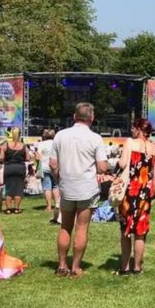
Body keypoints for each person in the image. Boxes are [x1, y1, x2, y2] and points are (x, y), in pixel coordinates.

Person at [50, 103, 107, 277]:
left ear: (74, 116)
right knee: (82, 228)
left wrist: (58, 180)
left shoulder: (60, 135)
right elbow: (102, 167)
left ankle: (61, 266)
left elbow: (53, 164)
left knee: (65, 227)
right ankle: (75, 267)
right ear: (92, 118)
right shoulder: (95, 138)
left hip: (66, 187)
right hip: (87, 189)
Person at [115, 119, 155, 276]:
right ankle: (137, 268)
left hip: (129, 191)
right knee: (140, 232)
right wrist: (151, 192)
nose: (132, 130)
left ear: (140, 129)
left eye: (134, 128)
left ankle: (124, 268)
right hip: (145, 193)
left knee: (125, 230)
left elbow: (122, 164)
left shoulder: (130, 142)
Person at [0, 127, 29, 214]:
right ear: (20, 135)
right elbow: (27, 158)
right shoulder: (24, 146)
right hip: (20, 168)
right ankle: (16, 208)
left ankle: (8, 209)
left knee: (8, 188)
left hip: (9, 168)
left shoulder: (6, 145)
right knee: (18, 189)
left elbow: (1, 158)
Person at [36, 129, 60, 218]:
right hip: (56, 167)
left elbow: (38, 157)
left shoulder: (41, 144)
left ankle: (49, 206)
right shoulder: (57, 143)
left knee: (47, 187)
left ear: (44, 135)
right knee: (56, 186)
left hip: (45, 167)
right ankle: (57, 205)